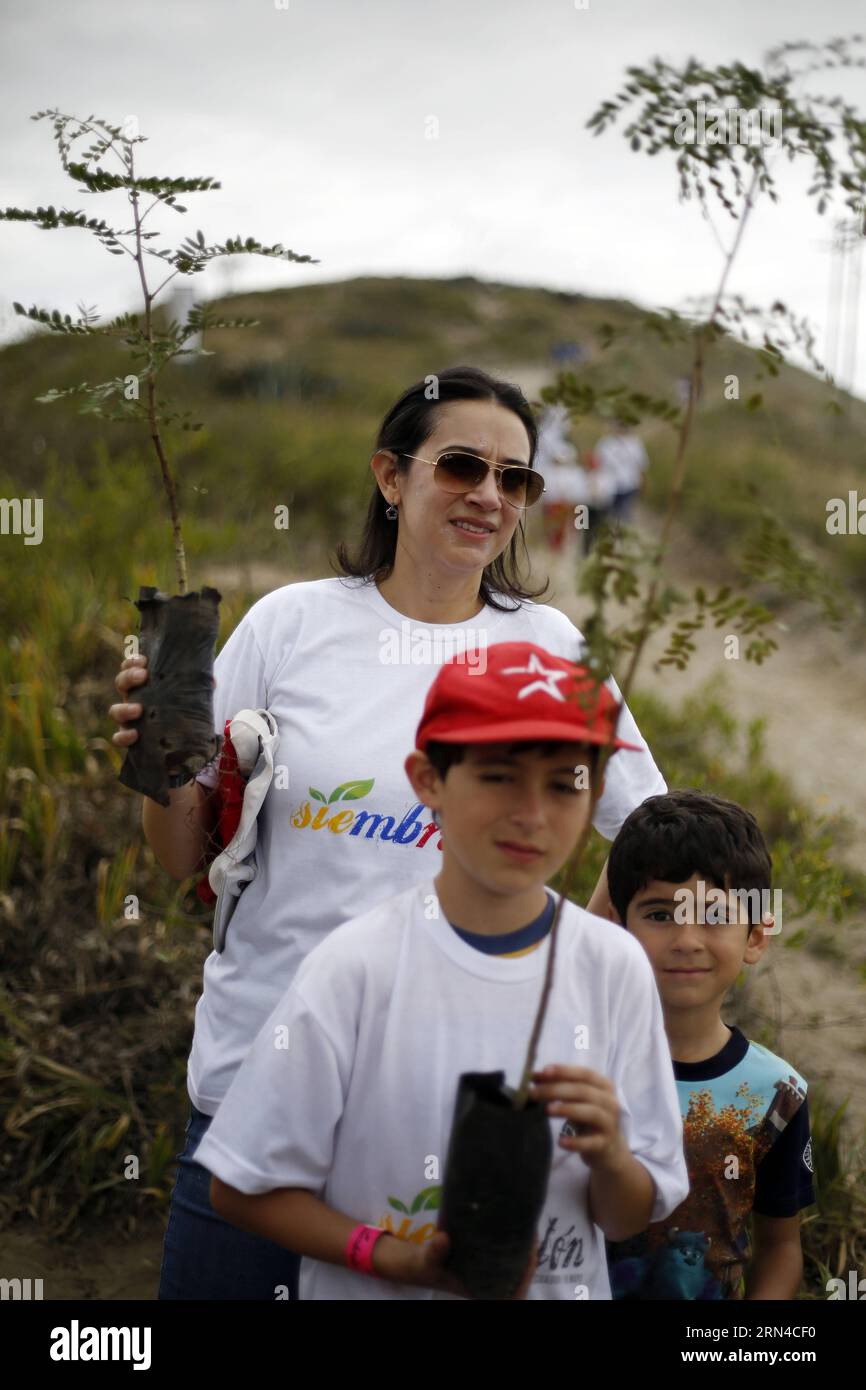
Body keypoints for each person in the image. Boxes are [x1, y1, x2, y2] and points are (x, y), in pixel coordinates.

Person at [108, 364, 668, 1300]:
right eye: (460, 466)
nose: (488, 495)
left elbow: (650, 833)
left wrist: (572, 966)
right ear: (390, 475)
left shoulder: (553, 647)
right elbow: (179, 860)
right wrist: (162, 758)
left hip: (456, 1102)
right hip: (258, 1076)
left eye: (515, 479)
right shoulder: (289, 627)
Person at [194, 641, 690, 1300]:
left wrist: (611, 1157)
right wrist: (391, 1257)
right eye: (498, 775)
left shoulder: (614, 967)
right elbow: (240, 1186)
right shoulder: (354, 970)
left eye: (565, 782)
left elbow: (629, 1214)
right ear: (428, 779)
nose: (533, 814)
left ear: (596, 791)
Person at [604, 791, 816, 1300]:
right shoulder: (580, 1065)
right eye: (659, 914)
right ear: (617, 927)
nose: (687, 939)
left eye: (715, 916)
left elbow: (781, 1248)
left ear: (755, 938)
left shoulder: (777, 1094)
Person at [593, 418, 650, 526]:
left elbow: (642, 465)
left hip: (629, 485)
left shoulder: (635, 444)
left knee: (624, 515)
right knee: (607, 515)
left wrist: (644, 485)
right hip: (609, 486)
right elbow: (597, 463)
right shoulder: (606, 443)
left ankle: (621, 538)